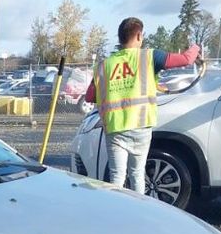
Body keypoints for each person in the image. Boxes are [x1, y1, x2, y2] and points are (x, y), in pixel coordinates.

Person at [85, 17, 200, 195]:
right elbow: (186, 59)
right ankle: (138, 214)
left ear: (120, 38)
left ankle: (115, 212)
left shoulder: (104, 65)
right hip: (141, 125)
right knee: (137, 174)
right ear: (139, 35)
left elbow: (90, 96)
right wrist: (196, 48)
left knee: (116, 176)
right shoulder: (149, 57)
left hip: (115, 128)